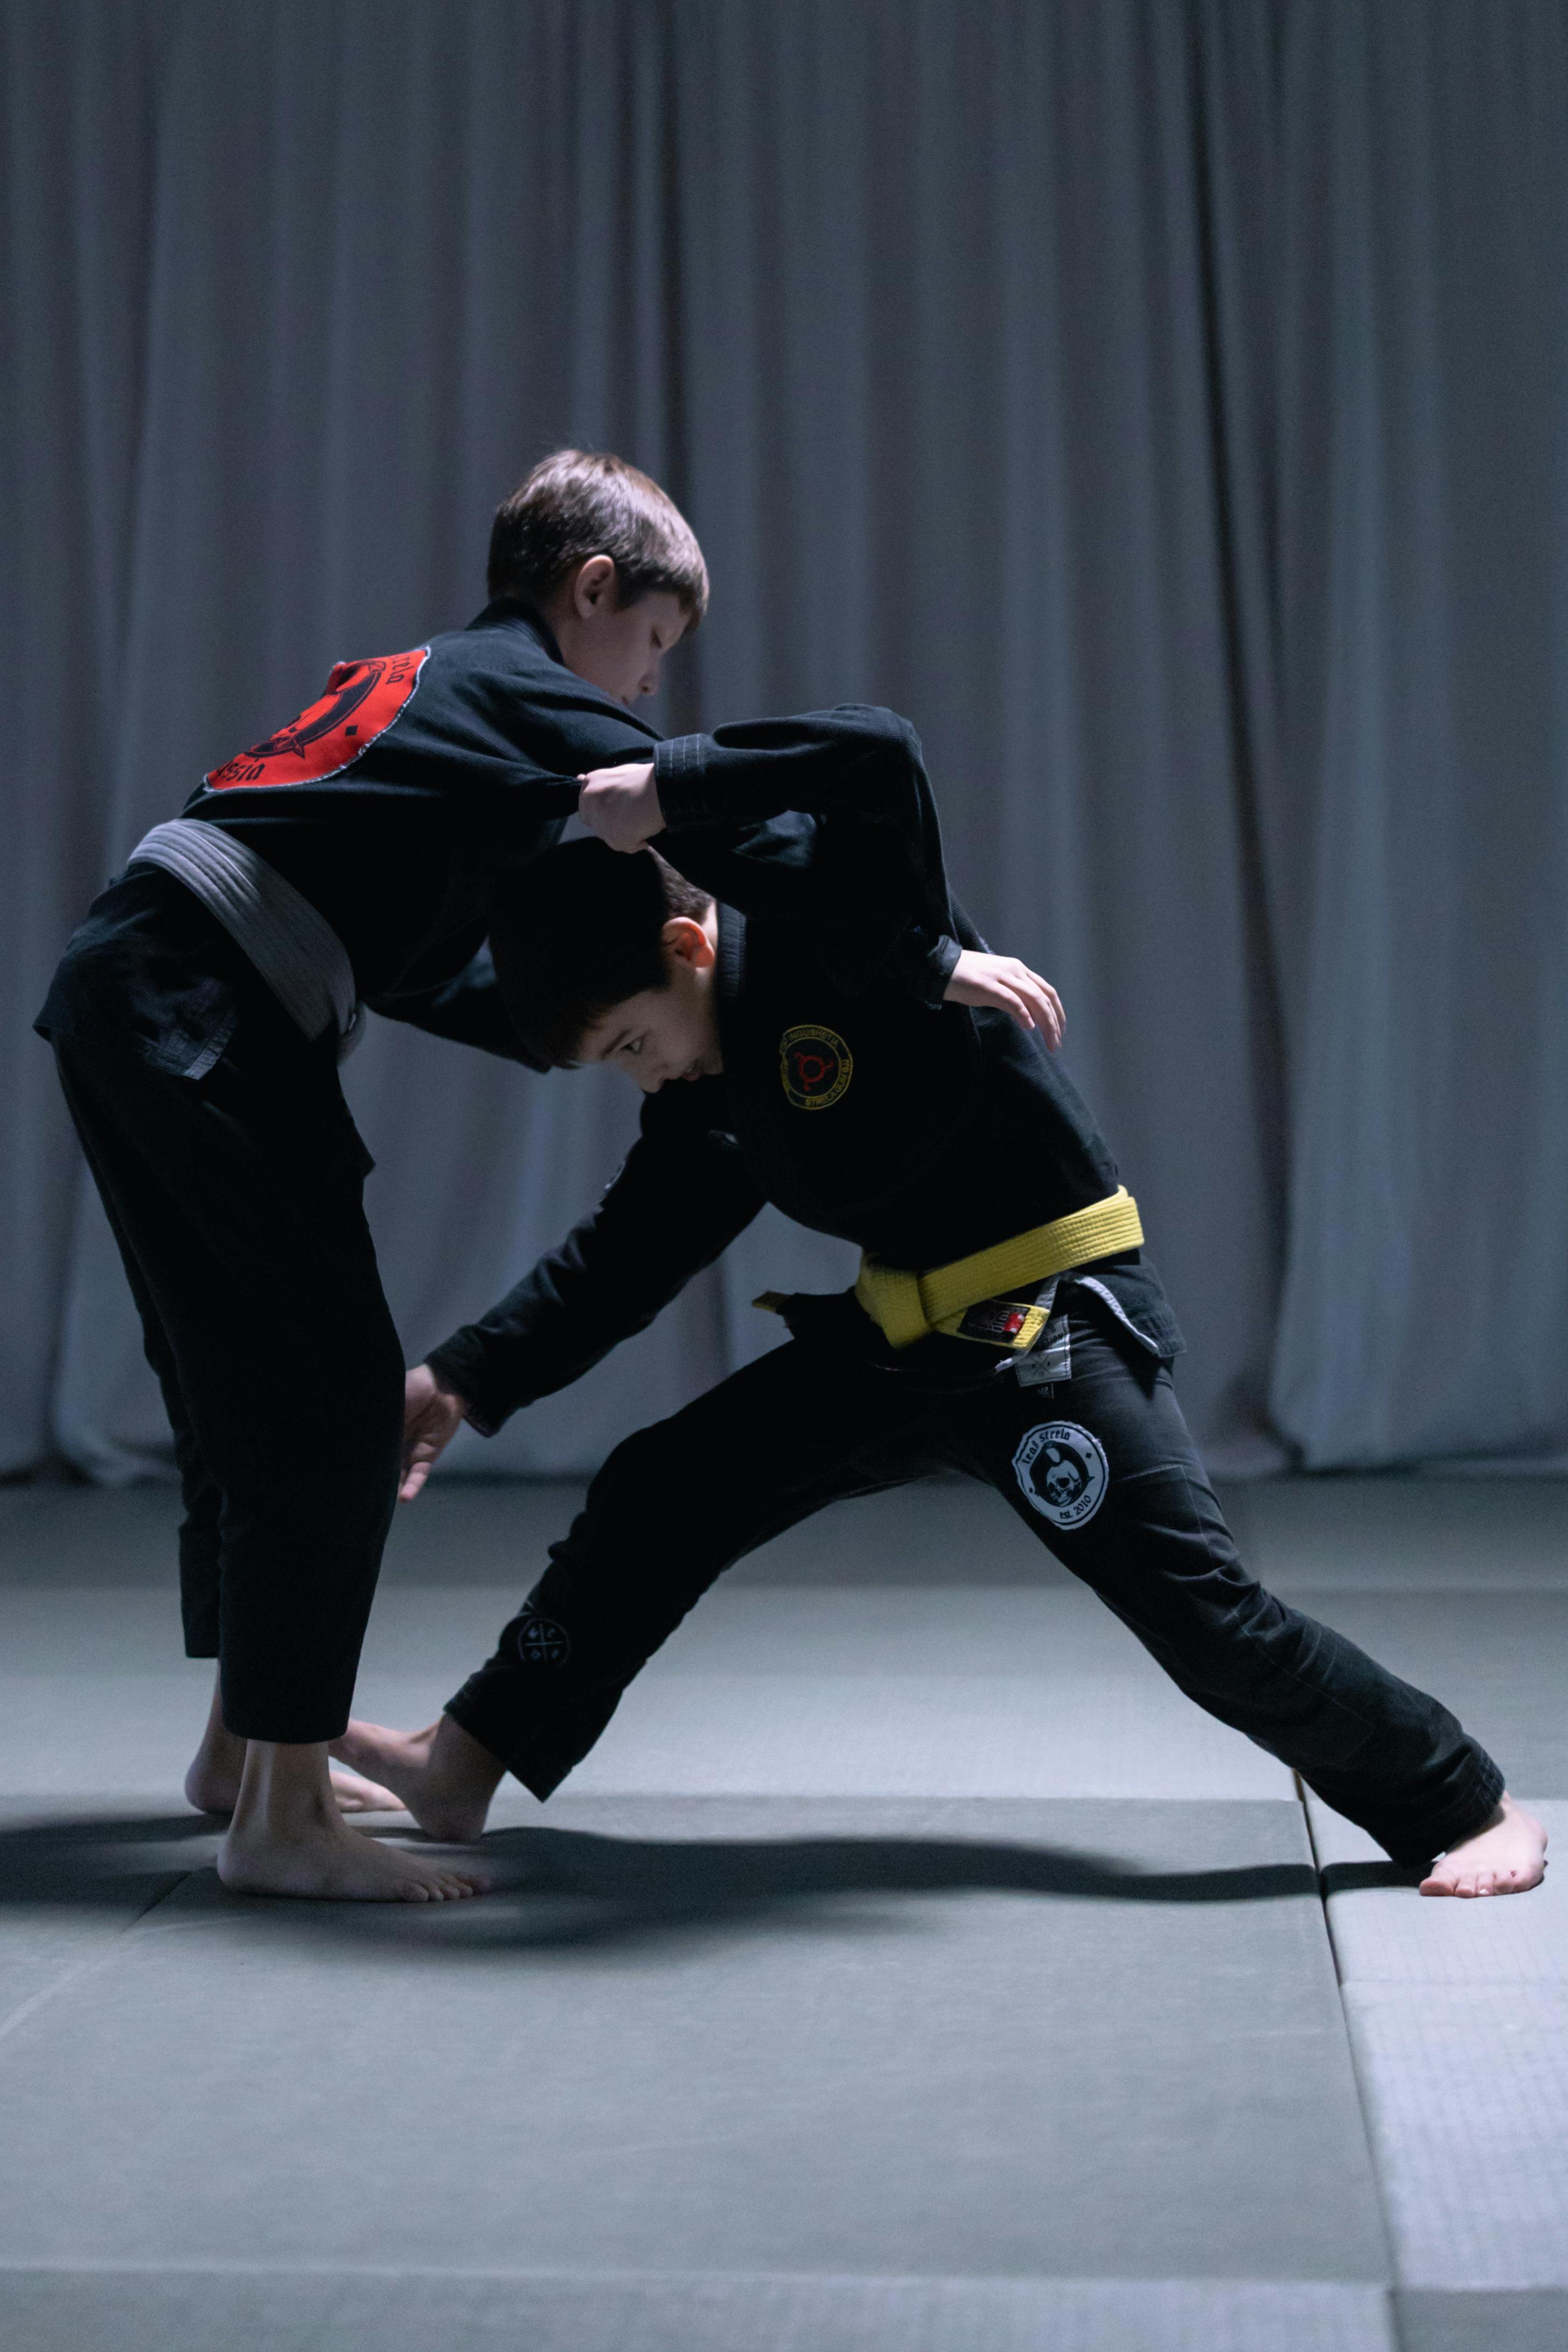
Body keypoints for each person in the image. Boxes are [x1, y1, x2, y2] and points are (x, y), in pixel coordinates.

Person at [332, 708, 1547, 1900]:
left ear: (689, 947)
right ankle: (461, 1761)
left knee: (1205, 1619)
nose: (650, 1076)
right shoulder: (713, 1085)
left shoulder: (846, 931)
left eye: (634, 1045)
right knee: (660, 1489)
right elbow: (632, 1249)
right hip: (898, 1341)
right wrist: (469, 1372)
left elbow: (876, 755)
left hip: (1049, 1326)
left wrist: (668, 789)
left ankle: (1464, 1800)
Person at [36, 457, 1026, 1903]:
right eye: (652, 645)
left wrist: (585, 1031)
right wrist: (921, 957)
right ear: (593, 589)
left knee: (238, 1388)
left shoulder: (416, 694)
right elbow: (718, 815)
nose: (645, 688)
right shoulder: (511, 681)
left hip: (138, 987)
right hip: (199, 1007)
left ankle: (245, 1748)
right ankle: (281, 1816)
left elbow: (431, 967)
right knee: (328, 1398)